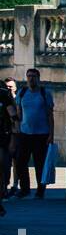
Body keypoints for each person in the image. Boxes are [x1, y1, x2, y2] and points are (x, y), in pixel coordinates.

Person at [13, 68, 54, 198]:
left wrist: (51, 134)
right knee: (20, 162)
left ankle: (40, 190)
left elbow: (50, 115)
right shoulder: (22, 92)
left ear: (38, 78)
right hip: (25, 133)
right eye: (29, 76)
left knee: (40, 163)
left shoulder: (44, 93)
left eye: (34, 76)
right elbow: (19, 113)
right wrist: (16, 127)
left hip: (41, 134)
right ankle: (25, 189)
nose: (31, 78)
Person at [0, 84, 15, 216]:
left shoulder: (3, 94)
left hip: (2, 138)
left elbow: (13, 118)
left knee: (2, 168)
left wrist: (13, 140)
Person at [3, 78, 18, 198]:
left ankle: (4, 188)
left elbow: (14, 119)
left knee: (5, 164)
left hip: (4, 136)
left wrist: (14, 137)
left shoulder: (4, 96)